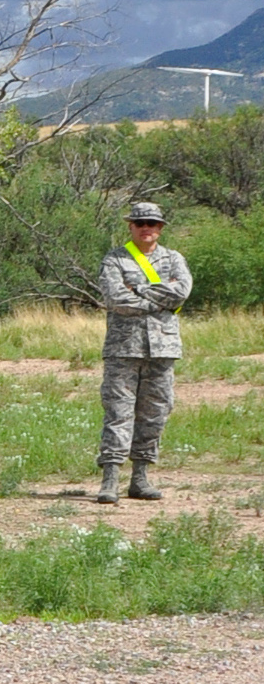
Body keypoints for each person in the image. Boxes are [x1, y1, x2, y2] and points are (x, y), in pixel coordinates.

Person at [95, 200, 193, 504]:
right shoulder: (115, 260)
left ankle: (140, 478)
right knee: (118, 413)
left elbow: (182, 291)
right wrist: (158, 298)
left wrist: (139, 289)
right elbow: (116, 298)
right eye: (140, 223)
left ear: (161, 228)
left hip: (162, 349)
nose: (146, 228)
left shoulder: (174, 259)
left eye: (152, 223)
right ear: (131, 227)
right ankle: (110, 480)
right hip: (124, 349)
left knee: (155, 413)